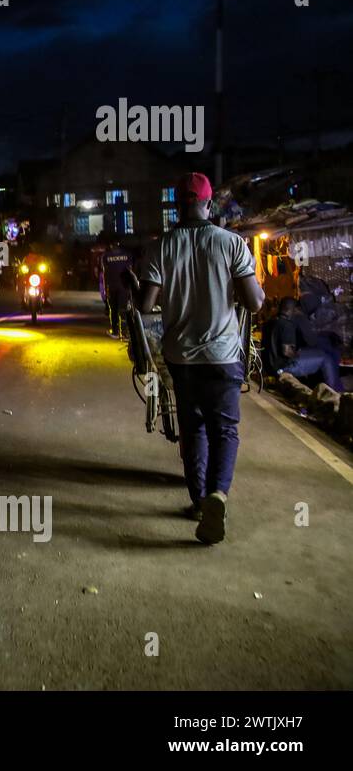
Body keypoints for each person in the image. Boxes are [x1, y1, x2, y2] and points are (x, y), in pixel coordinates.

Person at [138, 172, 264, 544]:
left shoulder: (162, 246)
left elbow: (146, 305)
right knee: (224, 429)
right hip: (223, 356)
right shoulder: (231, 244)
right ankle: (217, 495)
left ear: (178, 206)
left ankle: (197, 502)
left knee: (192, 429)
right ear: (209, 204)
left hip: (182, 358)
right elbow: (254, 302)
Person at [267, 297, 344, 392]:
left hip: (270, 365)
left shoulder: (270, 322)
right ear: (293, 309)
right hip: (282, 368)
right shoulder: (287, 325)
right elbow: (287, 352)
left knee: (318, 353)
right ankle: (334, 392)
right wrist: (296, 353)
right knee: (325, 358)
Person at [101, 237, 135, 339]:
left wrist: (105, 288)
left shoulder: (106, 256)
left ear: (111, 245)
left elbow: (104, 273)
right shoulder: (127, 255)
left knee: (114, 309)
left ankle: (115, 332)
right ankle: (125, 333)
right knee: (124, 310)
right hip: (124, 286)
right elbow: (131, 271)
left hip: (112, 286)